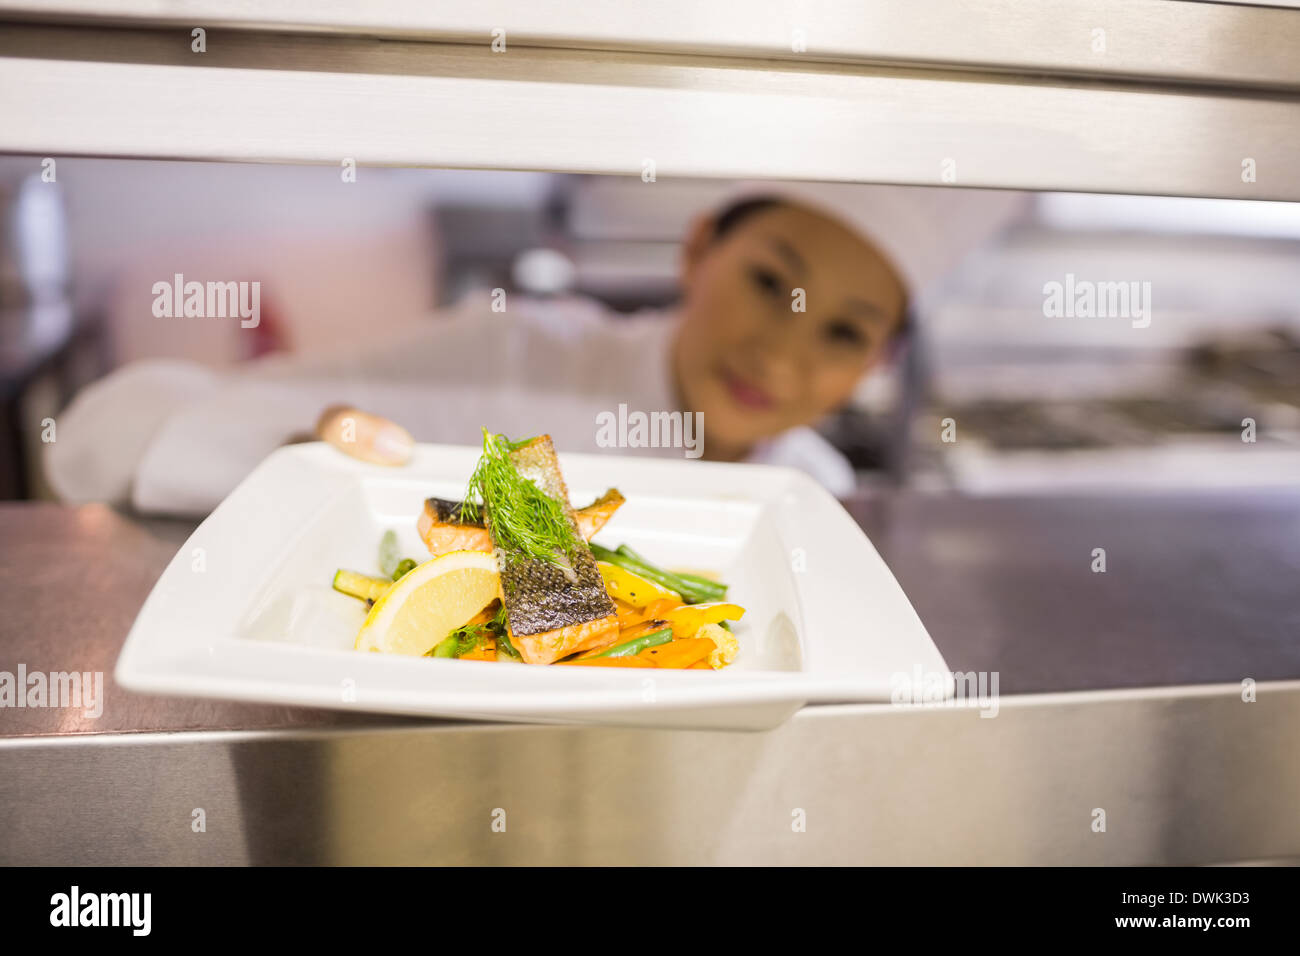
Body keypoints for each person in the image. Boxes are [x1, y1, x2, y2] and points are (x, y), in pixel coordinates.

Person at [46, 180, 1024, 514]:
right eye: (771, 281)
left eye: (844, 330)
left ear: (877, 363)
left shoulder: (808, 493)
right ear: (696, 250)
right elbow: (101, 430)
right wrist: (298, 452)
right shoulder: (514, 361)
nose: (779, 350)